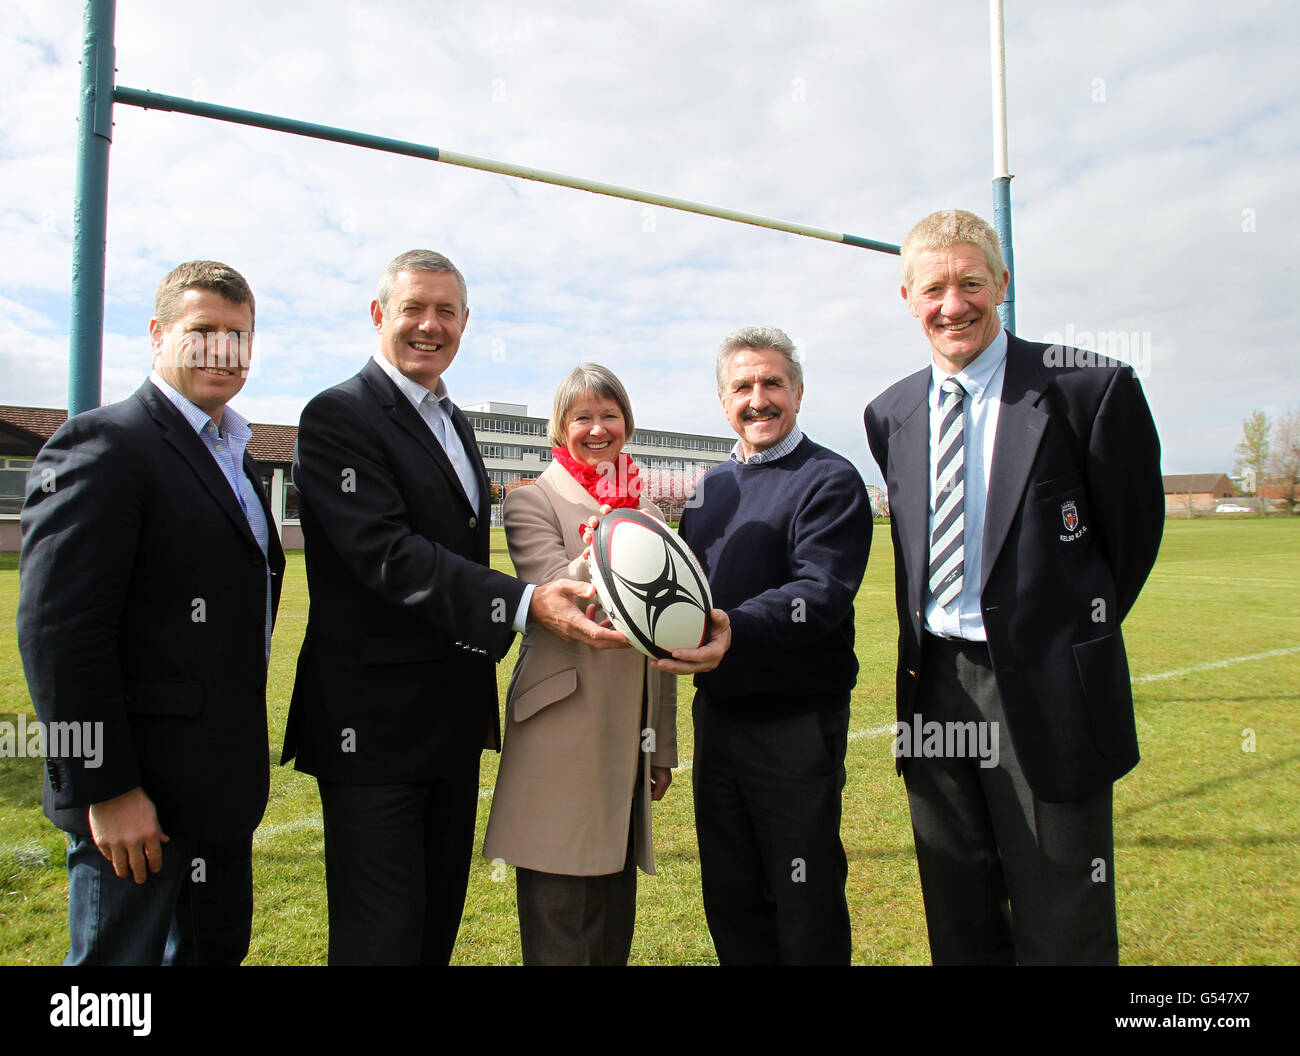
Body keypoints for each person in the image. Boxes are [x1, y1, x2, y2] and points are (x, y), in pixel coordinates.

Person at [282, 250, 625, 965]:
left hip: (449, 719)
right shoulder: (338, 415)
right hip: (371, 727)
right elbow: (387, 553)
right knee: (382, 936)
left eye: (446, 311)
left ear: (465, 323)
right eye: (413, 308)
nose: (429, 325)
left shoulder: (455, 421)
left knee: (433, 927)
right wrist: (526, 603)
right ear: (380, 315)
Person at [863, 209, 1164, 964]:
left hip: (1046, 685)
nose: (953, 304)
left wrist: (1055, 636)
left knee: (1063, 920)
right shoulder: (890, 413)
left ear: (1002, 282)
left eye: (970, 282)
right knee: (957, 912)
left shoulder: (1088, 388)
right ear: (907, 297)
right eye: (933, 287)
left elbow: (1126, 545)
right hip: (934, 683)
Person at [17, 260, 284, 965]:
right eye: (203, 332)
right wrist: (106, 789)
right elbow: (58, 635)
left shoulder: (236, 455)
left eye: (238, 335)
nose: (223, 350)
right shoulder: (104, 444)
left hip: (218, 792)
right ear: (158, 334)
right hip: (136, 802)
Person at [665, 325, 873, 965]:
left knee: (802, 895)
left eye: (771, 383)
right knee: (730, 893)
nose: (758, 398)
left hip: (795, 725)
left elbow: (821, 589)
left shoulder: (830, 480)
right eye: (742, 386)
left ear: (799, 392)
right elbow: (688, 588)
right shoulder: (712, 488)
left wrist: (735, 627)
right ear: (724, 401)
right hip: (720, 718)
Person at [482, 364, 677, 965]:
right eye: (582, 417)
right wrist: (608, 544)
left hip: (629, 730)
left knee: (612, 915)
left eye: (610, 415)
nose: (598, 429)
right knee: (559, 906)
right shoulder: (531, 499)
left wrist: (661, 747)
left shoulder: (644, 503)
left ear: (627, 424)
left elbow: (662, 637)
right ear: (560, 429)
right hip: (561, 726)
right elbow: (548, 594)